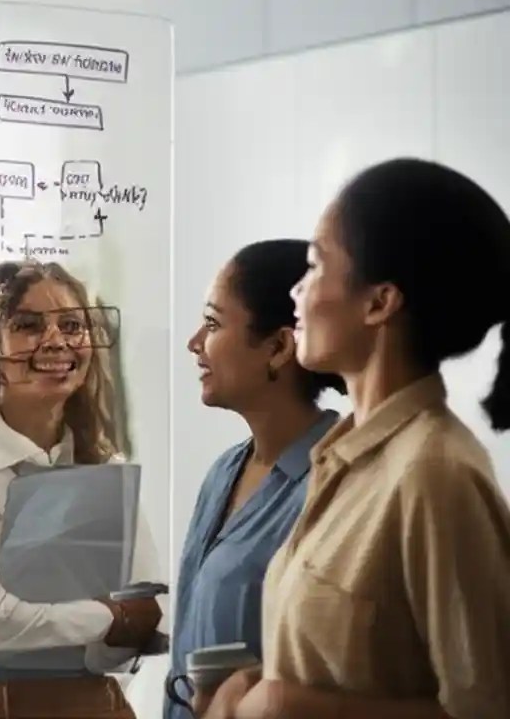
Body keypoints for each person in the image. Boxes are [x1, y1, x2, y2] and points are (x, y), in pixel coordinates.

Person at [204, 157, 510, 719]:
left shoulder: (436, 474)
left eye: (316, 266)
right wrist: (253, 682)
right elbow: (355, 663)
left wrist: (292, 706)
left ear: (379, 302)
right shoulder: (341, 458)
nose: (297, 292)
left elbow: (487, 708)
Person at [0, 260, 165, 719]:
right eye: (28, 326)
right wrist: (109, 618)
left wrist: (115, 628)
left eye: (71, 325)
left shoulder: (106, 466)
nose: (55, 341)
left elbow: (150, 613)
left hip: (100, 705)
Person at [167, 239, 344, 719]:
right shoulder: (224, 471)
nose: (194, 344)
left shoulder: (337, 483)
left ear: (279, 346)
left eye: (212, 324)